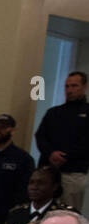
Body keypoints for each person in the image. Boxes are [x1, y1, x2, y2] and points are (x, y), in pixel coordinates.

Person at [34, 71, 88, 210]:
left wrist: (66, 156)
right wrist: (51, 153)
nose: (69, 90)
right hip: (49, 171)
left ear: (84, 87)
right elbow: (40, 136)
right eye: (67, 86)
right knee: (43, 211)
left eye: (74, 86)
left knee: (69, 213)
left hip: (73, 172)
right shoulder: (53, 113)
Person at [1, 165, 73, 224]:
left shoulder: (64, 216)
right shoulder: (15, 214)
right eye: (31, 182)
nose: (34, 187)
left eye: (41, 183)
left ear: (54, 187)